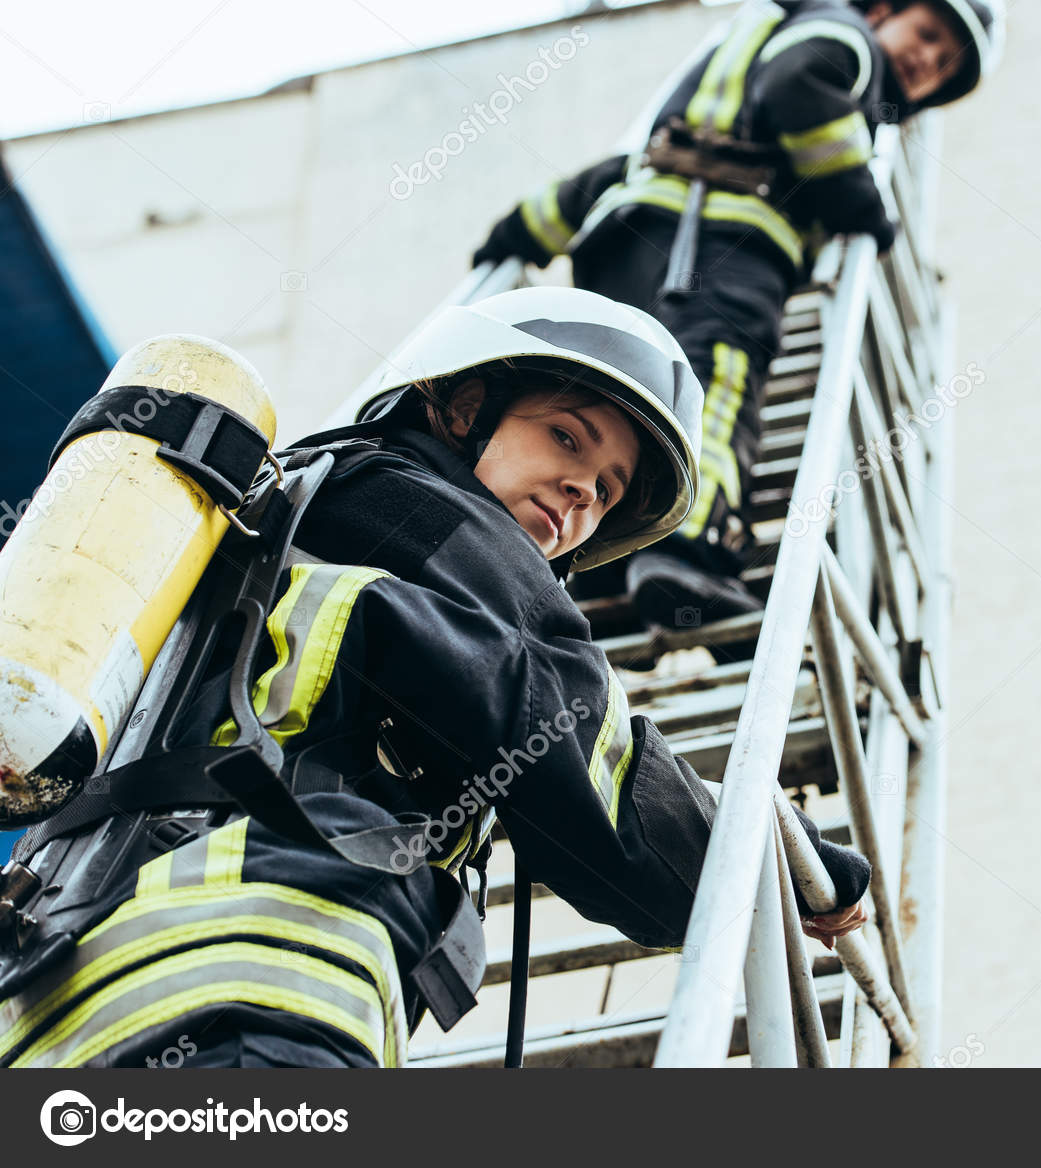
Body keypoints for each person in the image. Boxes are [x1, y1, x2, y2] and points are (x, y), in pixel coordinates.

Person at [0, 286, 868, 1068]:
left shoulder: (297, 510)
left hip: (63, 999)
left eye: (607, 490)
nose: (580, 492)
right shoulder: (427, 515)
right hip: (252, 972)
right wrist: (782, 862)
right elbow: (580, 750)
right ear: (461, 407)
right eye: (566, 436)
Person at [472, 0, 1005, 635]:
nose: (929, 62)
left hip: (632, 244)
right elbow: (798, 86)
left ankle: (607, 564)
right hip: (726, 243)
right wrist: (861, 206)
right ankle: (689, 550)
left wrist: (521, 231)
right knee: (712, 384)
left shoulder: (737, 56)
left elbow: (624, 170)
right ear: (885, 7)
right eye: (928, 34)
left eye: (945, 64)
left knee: (620, 409)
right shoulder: (843, 37)